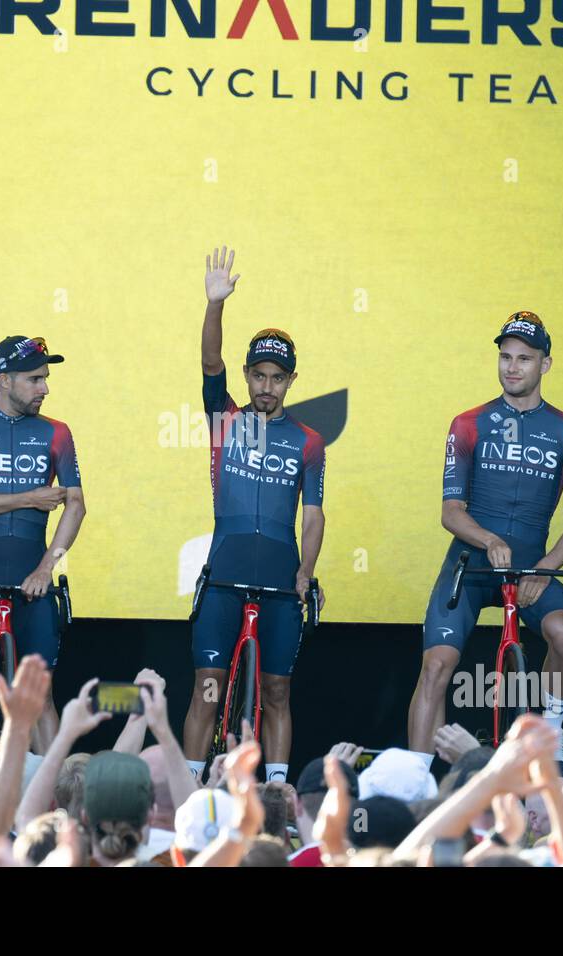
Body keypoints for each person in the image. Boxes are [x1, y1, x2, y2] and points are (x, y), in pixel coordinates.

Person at [411, 312, 563, 772]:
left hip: (533, 565)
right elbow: (451, 512)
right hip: (471, 563)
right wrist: (488, 538)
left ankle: (551, 734)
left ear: (544, 365)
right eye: (505, 357)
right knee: (435, 666)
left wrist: (546, 567)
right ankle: (416, 780)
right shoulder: (469, 423)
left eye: (524, 359)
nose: (512, 367)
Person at [182, 246, 327, 785]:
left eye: (277, 377)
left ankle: (278, 796)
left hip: (280, 579)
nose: (266, 385)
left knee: (278, 691)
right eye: (259, 375)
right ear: (246, 375)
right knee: (207, 688)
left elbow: (313, 516)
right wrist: (214, 304)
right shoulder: (224, 418)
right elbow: (208, 363)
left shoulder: (310, 440)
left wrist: (306, 573)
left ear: (291, 380)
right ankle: (191, 788)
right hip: (224, 575)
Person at [0, 335, 85, 762]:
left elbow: (75, 506)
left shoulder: (56, 432)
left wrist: (46, 568)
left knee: (40, 695)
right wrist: (28, 497)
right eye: (35, 379)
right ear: (4, 380)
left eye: (45, 378)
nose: (45, 388)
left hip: (32, 580)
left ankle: (55, 796)